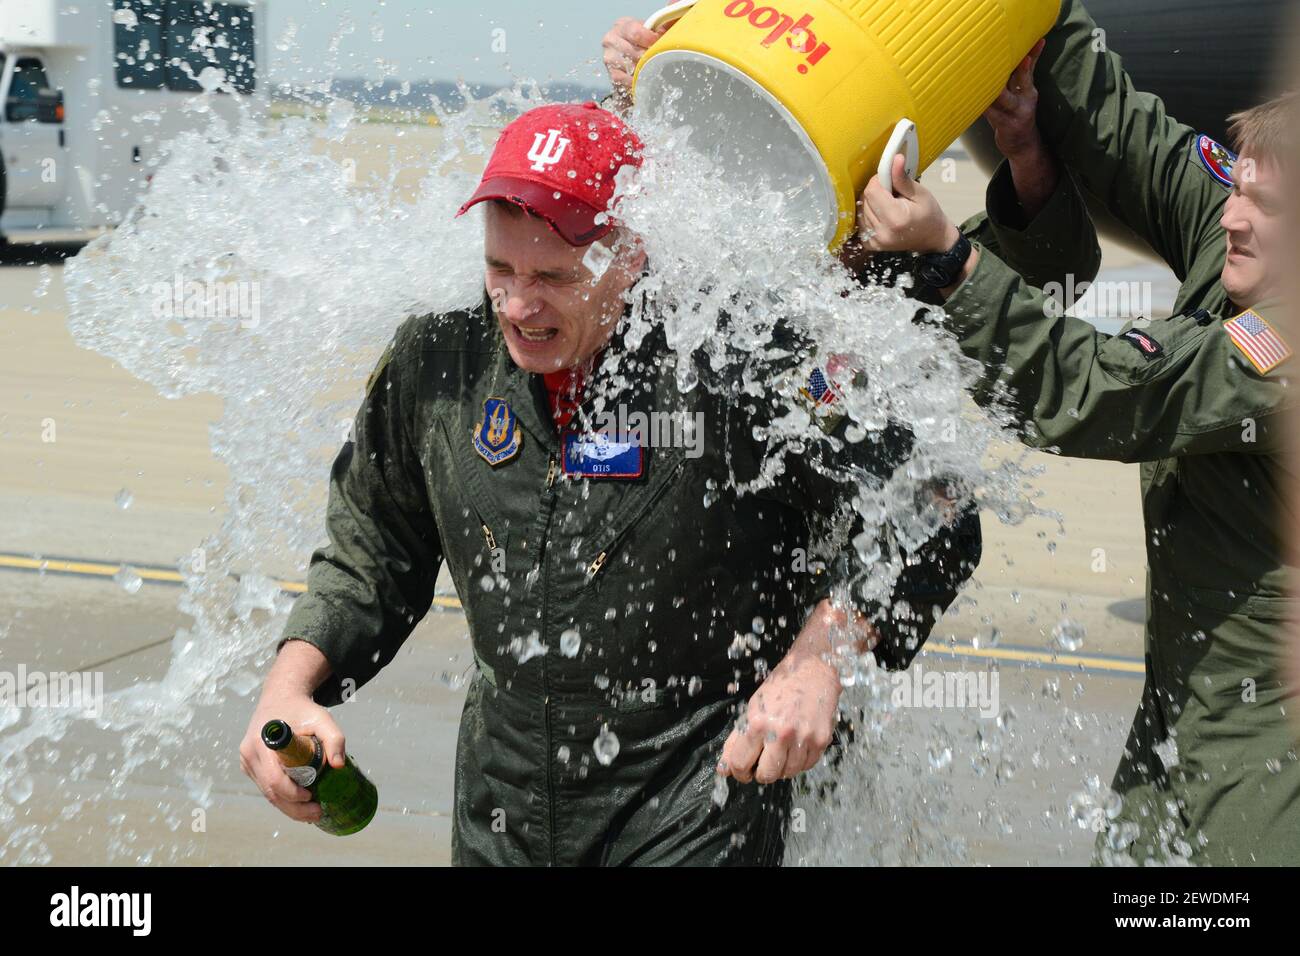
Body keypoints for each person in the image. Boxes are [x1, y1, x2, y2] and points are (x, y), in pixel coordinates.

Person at [240, 101, 984, 866]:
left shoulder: (741, 356)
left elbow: (931, 509)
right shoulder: (440, 361)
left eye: (554, 276)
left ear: (628, 254)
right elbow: (373, 545)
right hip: (504, 813)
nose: (519, 305)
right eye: (501, 268)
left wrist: (820, 659)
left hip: (699, 796)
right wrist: (290, 686)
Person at [856, 0, 1299, 865]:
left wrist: (955, 260)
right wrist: (1028, 28)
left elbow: (1114, 394)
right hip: (1175, 720)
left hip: (1265, 750)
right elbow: (1130, 133)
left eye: (1266, 207)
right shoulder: (1246, 238)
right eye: (1237, 191)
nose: (1231, 220)